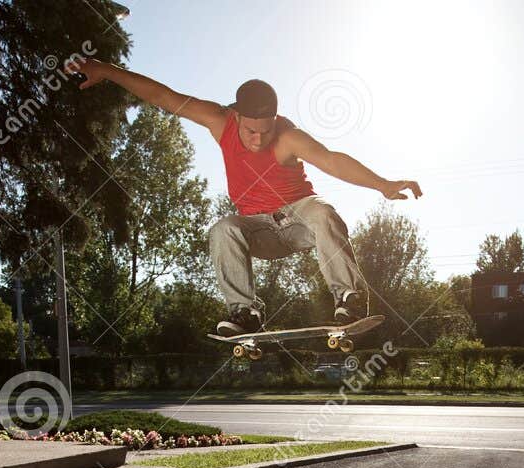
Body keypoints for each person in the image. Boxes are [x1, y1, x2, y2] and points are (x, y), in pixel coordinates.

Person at [69, 61, 421, 336]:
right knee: (223, 228)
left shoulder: (289, 137)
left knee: (323, 211)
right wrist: (107, 71)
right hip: (258, 230)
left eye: (265, 131)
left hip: (298, 220)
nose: (257, 139)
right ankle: (244, 312)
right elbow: (165, 97)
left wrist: (382, 184)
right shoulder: (219, 121)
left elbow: (331, 161)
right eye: (250, 131)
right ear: (236, 116)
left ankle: (350, 298)